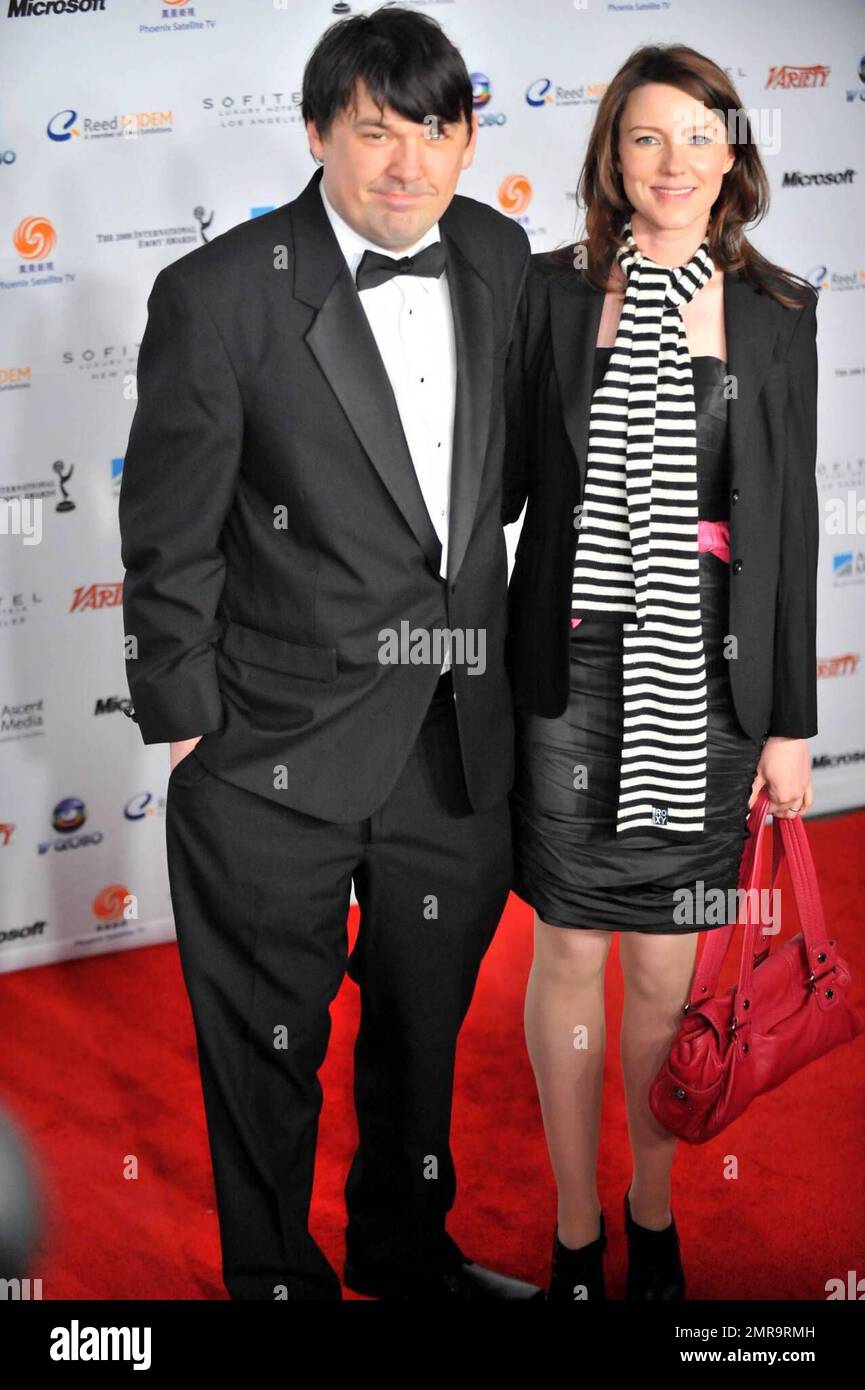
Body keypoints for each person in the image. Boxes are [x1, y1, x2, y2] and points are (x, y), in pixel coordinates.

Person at [119, 5, 538, 1301]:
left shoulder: (500, 254)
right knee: (267, 1053)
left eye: (435, 129)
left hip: (453, 745)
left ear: (468, 140)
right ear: (316, 133)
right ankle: (275, 1284)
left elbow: (504, 489)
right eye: (374, 131)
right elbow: (169, 531)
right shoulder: (218, 294)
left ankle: (402, 1250)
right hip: (272, 752)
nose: (407, 161)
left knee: (421, 1037)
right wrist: (196, 732)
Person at [502, 44, 818, 1300]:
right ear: (610, 157)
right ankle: (576, 1228)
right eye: (646, 137)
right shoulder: (549, 294)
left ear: (733, 152)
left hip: (712, 680)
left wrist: (790, 724)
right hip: (572, 671)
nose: (673, 161)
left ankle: (651, 1207)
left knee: (664, 961)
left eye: (699, 135)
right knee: (571, 947)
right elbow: (500, 494)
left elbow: (786, 528)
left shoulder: (780, 309)